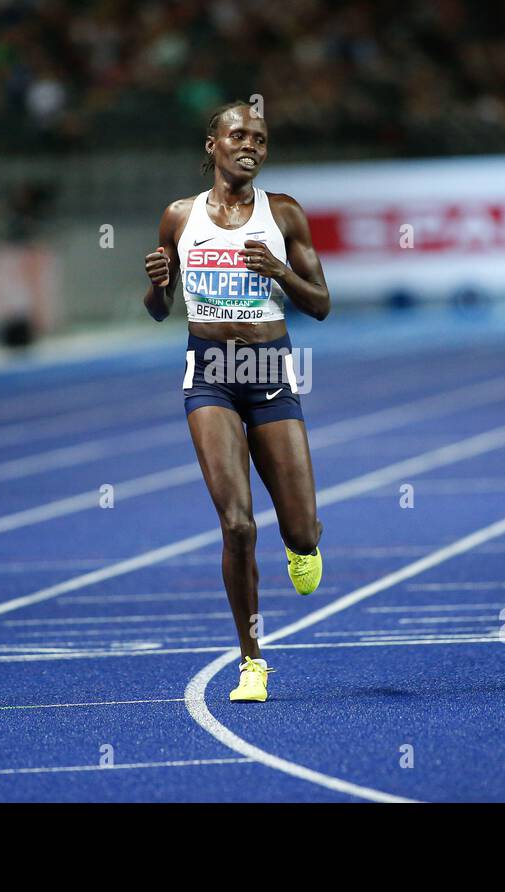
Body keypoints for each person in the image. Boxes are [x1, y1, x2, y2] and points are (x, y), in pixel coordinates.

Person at [143, 101, 331, 703]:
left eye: (260, 137)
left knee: (299, 529)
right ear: (212, 145)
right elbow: (157, 308)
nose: (250, 144)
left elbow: (322, 303)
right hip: (211, 375)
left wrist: (278, 269)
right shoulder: (179, 217)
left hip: (270, 371)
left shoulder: (285, 214)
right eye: (238, 135)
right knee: (238, 524)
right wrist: (157, 285)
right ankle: (252, 660)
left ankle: (301, 545)